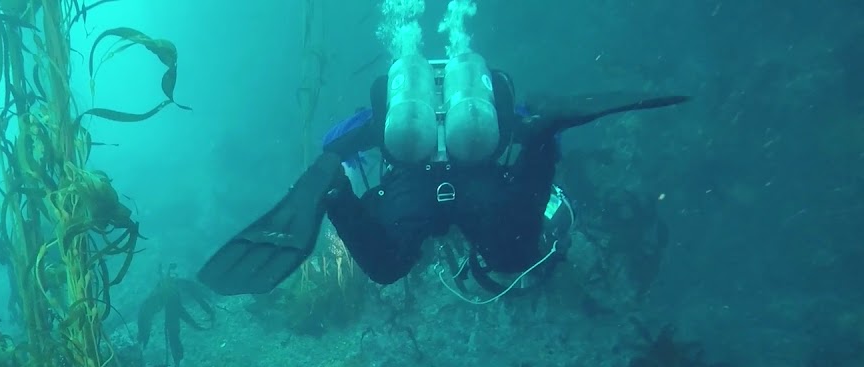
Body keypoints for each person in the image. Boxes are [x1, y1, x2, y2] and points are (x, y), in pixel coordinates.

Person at [197, 51, 689, 298]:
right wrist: (539, 137)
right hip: (478, 175)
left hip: (410, 188)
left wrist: (332, 169)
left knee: (388, 268)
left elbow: (338, 140)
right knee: (514, 251)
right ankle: (544, 135)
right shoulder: (478, 107)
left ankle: (334, 196)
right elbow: (508, 123)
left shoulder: (391, 116)